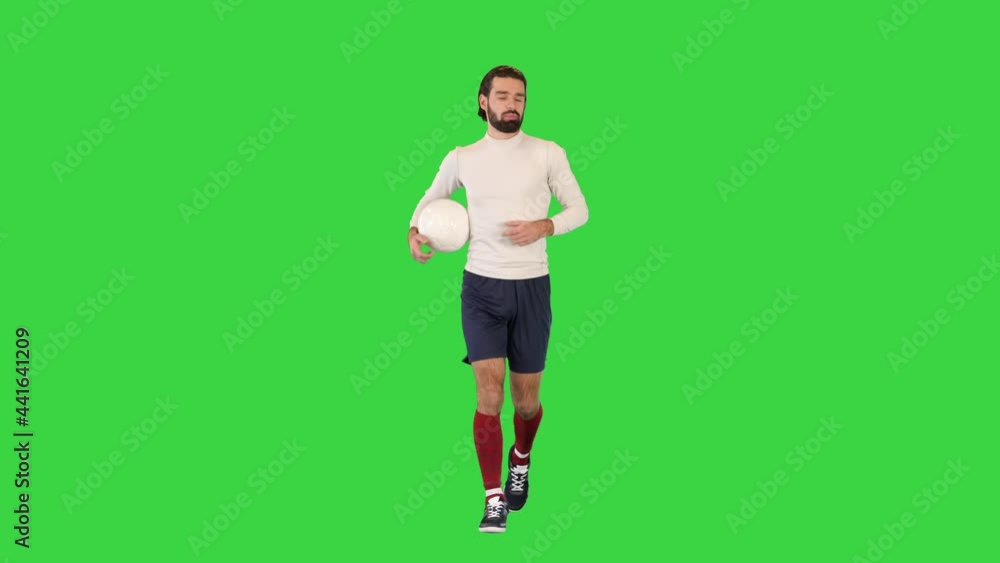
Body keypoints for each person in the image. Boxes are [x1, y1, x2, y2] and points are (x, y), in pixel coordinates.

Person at [407, 65, 588, 533]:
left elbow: (580, 210)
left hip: (532, 287)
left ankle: (521, 458)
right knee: (489, 393)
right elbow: (430, 200)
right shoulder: (462, 157)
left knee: (526, 403)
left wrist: (544, 225)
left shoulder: (548, 153)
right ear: (483, 101)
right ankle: (493, 498)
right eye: (503, 95)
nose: (513, 103)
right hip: (481, 288)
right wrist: (414, 230)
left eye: (520, 97)